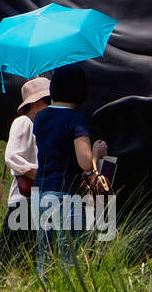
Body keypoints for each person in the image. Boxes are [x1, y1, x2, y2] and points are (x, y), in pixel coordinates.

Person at [31, 64, 108, 274]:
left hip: (40, 194)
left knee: (44, 258)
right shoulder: (75, 119)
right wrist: (95, 150)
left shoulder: (41, 118)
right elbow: (85, 163)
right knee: (70, 260)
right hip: (66, 196)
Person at [0, 77, 50, 267]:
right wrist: (40, 176)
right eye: (47, 100)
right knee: (14, 258)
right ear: (36, 103)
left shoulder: (41, 127)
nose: (50, 105)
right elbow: (12, 157)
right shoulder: (24, 122)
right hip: (23, 202)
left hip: (35, 202)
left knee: (27, 257)